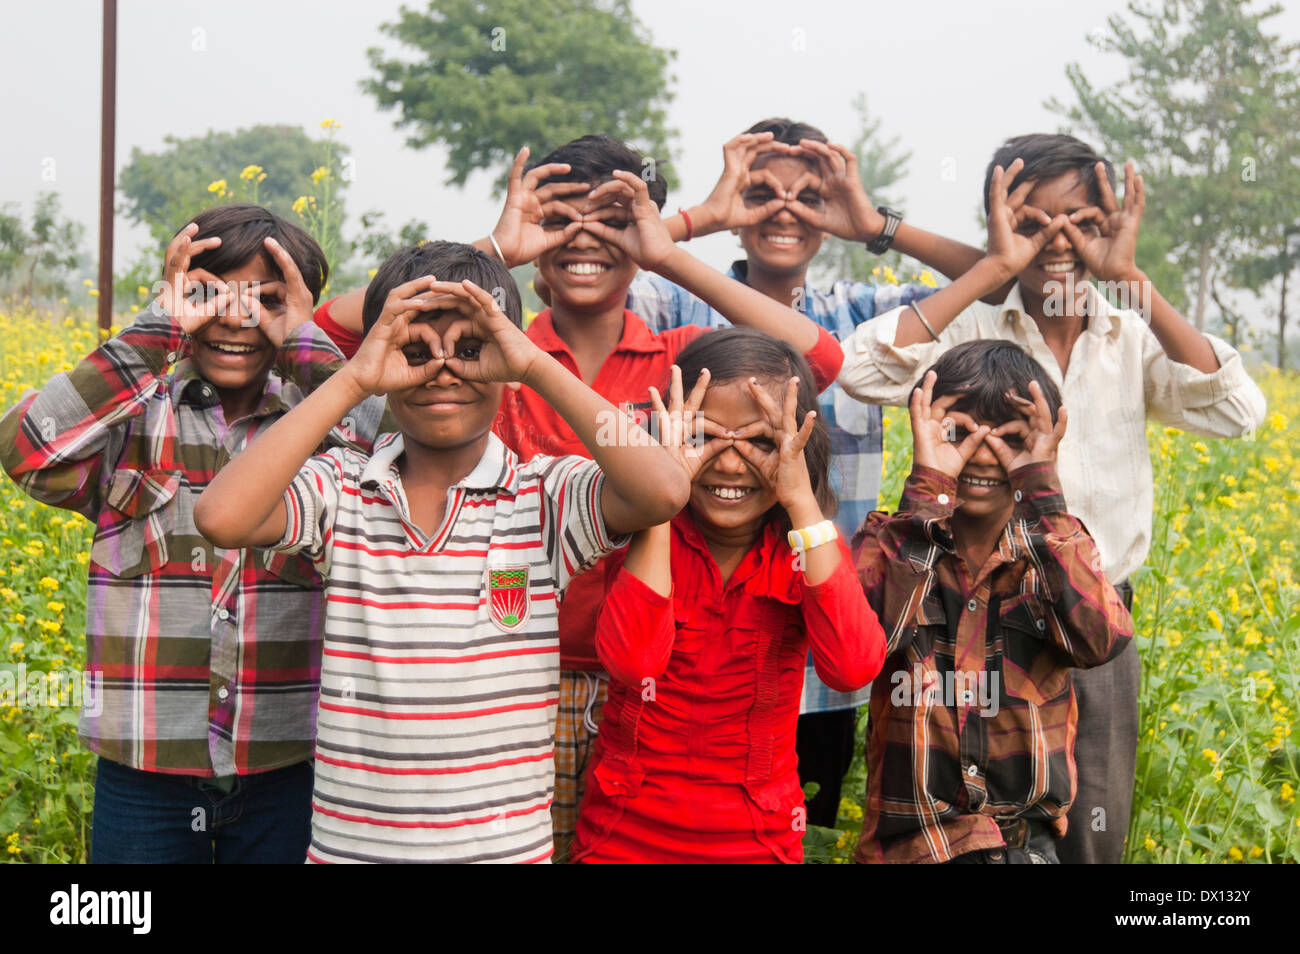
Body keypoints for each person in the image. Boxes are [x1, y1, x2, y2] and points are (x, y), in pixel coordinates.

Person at [836, 134, 1267, 862]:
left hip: (1089, 614)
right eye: (1032, 223)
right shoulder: (967, 324)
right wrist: (993, 270)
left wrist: (1131, 279)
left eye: (1085, 223)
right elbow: (860, 369)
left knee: (1089, 829)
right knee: (939, 821)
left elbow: (1238, 411)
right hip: (957, 605)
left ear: (1114, 227)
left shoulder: (1130, 336)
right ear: (998, 227)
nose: (1059, 242)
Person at [193, 241, 690, 863]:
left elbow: (664, 491)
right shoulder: (343, 487)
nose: (444, 370)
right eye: (414, 350)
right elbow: (220, 516)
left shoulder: (541, 496)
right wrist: (353, 380)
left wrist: (533, 364)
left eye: (473, 349)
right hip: (353, 851)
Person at [623, 118, 997, 828]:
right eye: (762, 192)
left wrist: (875, 224)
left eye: (807, 197)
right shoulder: (674, 302)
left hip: (823, 652)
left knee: (803, 832)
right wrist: (707, 210)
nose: (784, 210)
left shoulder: (859, 315)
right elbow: (599, 259)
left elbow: (995, 280)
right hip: (690, 645)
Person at [0, 205, 385, 863]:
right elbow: (26, 447)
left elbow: (410, 460)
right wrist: (159, 329)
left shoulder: (322, 429)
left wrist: (305, 340)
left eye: (266, 300)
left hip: (290, 766)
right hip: (144, 771)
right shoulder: (129, 422)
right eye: (209, 296)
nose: (237, 319)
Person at [572, 328, 885, 863]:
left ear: (800, 447)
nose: (732, 464)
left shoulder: (804, 551)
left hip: (758, 840)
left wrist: (802, 501)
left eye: (763, 442)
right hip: (622, 835)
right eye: (703, 438)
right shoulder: (634, 533)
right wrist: (661, 495)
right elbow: (632, 663)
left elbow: (853, 668)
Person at [854, 340, 1133, 863]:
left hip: (1025, 846)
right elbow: (865, 644)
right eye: (957, 434)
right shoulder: (890, 543)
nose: (982, 454)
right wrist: (929, 488)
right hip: (913, 848)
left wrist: (1042, 490)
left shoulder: (1057, 550)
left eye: (1010, 437)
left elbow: (1102, 640)